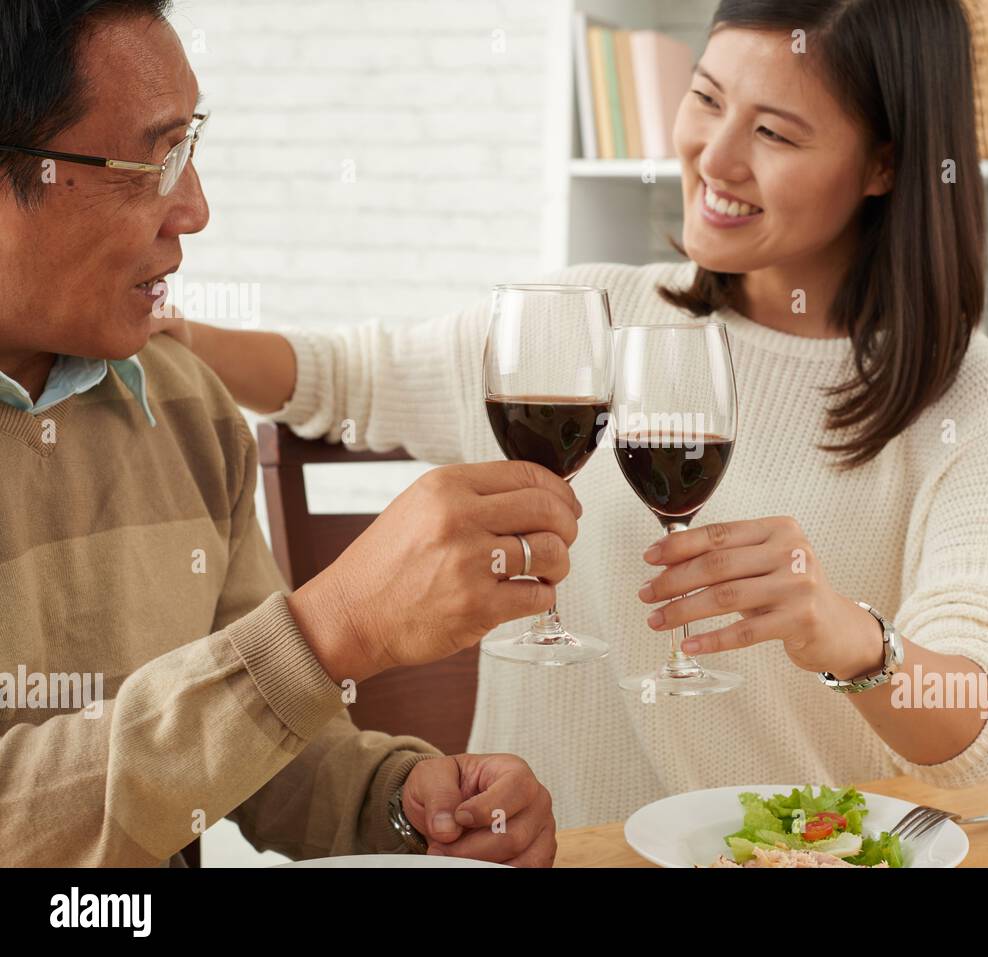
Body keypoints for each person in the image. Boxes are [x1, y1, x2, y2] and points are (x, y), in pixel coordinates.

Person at [162, 0, 988, 830]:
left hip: (786, 852)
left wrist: (848, 634)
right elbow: (349, 374)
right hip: (546, 851)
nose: (716, 157)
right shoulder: (589, 318)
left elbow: (982, 726)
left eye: (775, 132)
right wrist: (155, 328)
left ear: (886, 164)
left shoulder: (973, 397)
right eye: (706, 99)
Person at [0, 0, 572, 866]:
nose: (193, 208)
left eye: (190, 148)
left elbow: (252, 754)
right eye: (150, 161)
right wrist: (324, 632)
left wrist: (401, 803)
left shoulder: (184, 403)